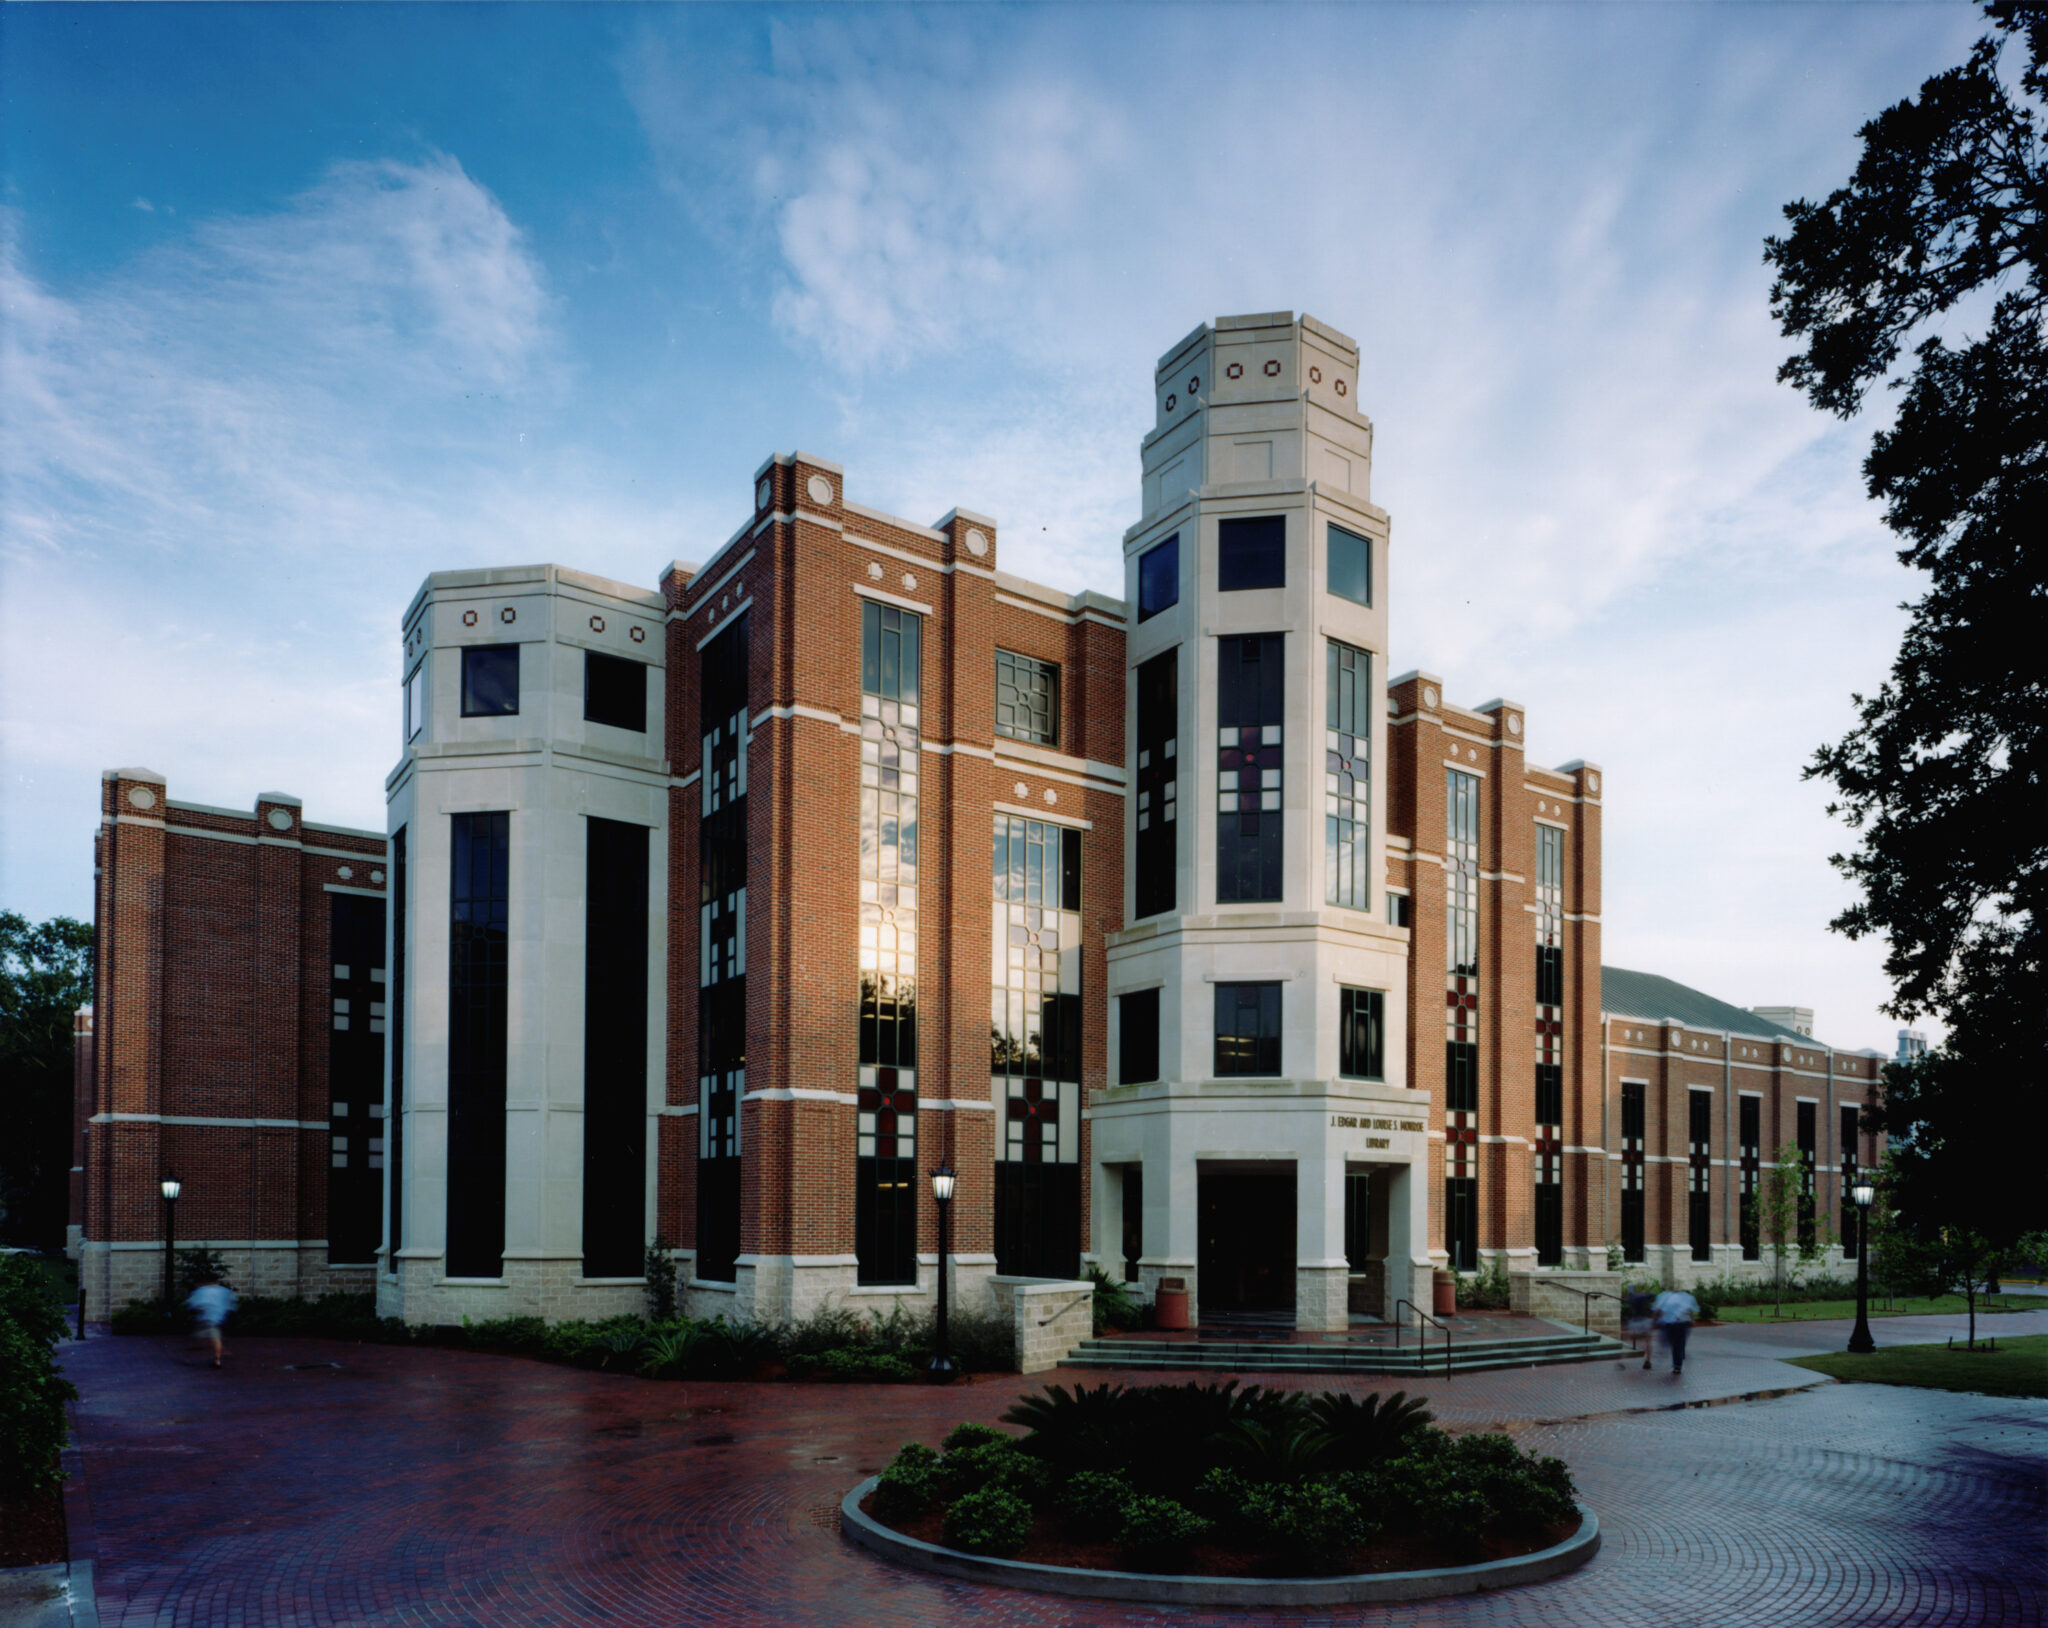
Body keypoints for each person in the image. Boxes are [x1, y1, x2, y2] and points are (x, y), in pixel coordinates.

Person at [186, 1275, 238, 1368]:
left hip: (206, 1318)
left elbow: (195, 1304)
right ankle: (218, 1358)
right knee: (215, 1338)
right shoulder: (223, 1290)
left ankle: (191, 1357)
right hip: (219, 1317)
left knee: (200, 1338)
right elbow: (232, 1302)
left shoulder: (201, 1291)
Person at [1653, 1285, 1699, 1377]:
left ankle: (1677, 1364)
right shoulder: (1671, 1297)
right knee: (1676, 1344)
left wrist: (1655, 1320)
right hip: (1675, 1323)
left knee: (1676, 1344)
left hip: (1677, 1323)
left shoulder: (1667, 1297)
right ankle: (1677, 1362)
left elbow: (1659, 1310)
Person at [1622, 1287, 1655, 1370]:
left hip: (1635, 1321)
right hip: (1645, 1320)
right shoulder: (1645, 1299)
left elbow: (1629, 1304)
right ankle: (1648, 1360)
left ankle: (1623, 1359)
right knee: (1648, 1341)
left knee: (1630, 1338)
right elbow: (1650, 1309)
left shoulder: (1635, 1298)